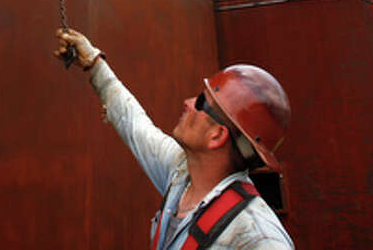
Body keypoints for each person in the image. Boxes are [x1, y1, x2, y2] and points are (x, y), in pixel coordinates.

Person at [54, 28, 294, 250]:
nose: (188, 102)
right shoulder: (181, 172)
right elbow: (135, 125)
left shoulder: (258, 238)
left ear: (217, 135)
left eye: (201, 102)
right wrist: (94, 65)